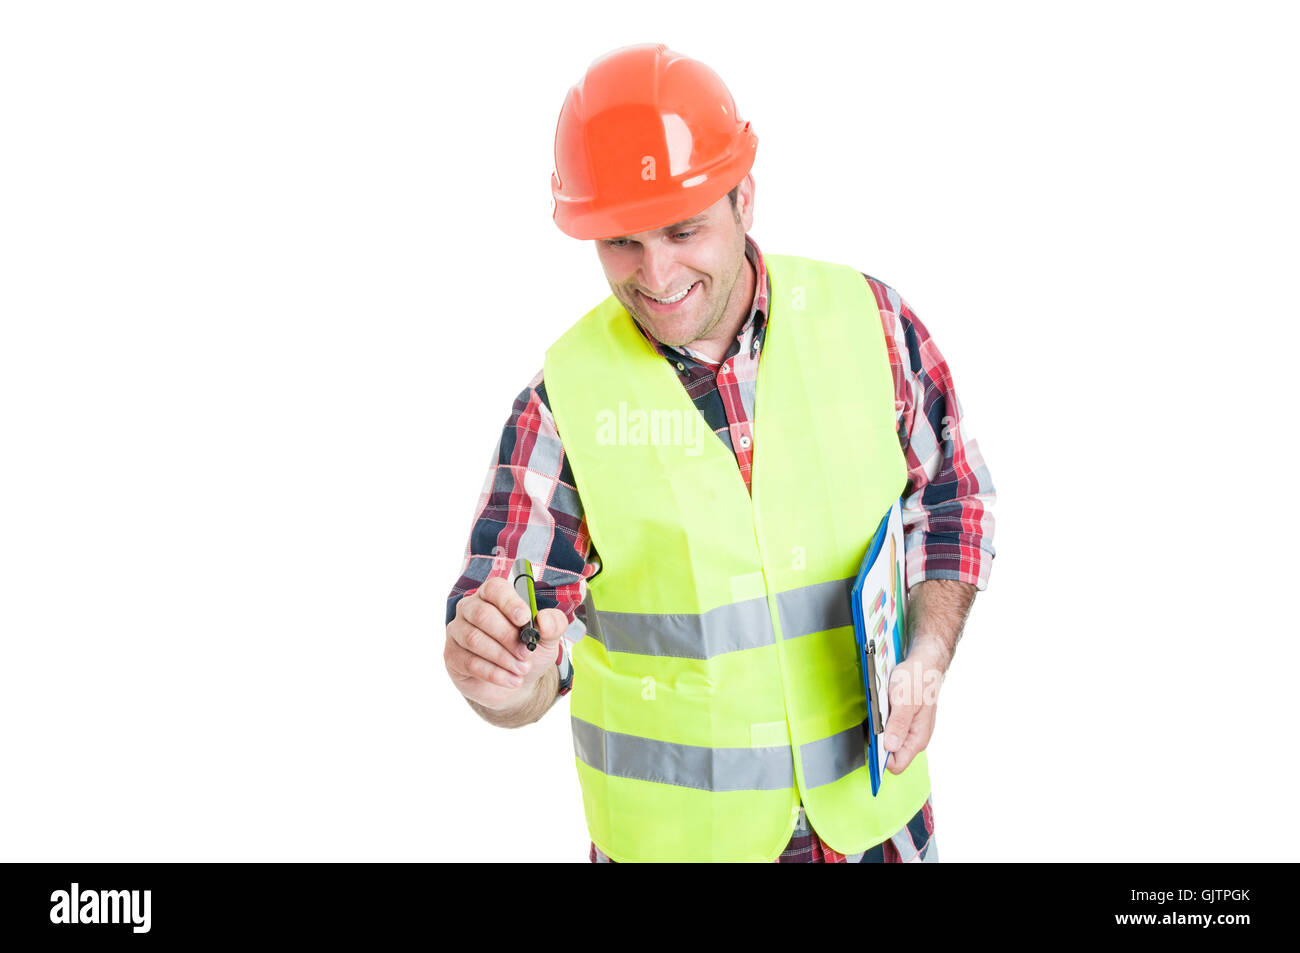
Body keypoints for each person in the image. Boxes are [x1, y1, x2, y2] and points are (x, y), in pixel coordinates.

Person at [444, 43, 996, 863]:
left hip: (877, 836)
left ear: (744, 193)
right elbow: (522, 658)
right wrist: (498, 671)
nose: (657, 275)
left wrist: (927, 653)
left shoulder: (871, 323)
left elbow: (950, 500)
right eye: (621, 243)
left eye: (683, 229)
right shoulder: (560, 405)